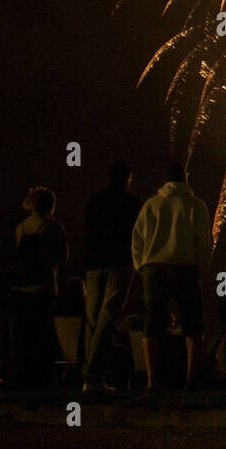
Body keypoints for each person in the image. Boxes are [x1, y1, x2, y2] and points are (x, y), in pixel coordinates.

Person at [132, 161, 212, 391]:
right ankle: (192, 380)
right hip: (185, 268)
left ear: (165, 179)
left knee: (153, 324)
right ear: (185, 178)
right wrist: (200, 268)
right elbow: (203, 242)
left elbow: (137, 239)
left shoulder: (152, 204)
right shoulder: (196, 205)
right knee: (193, 325)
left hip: (154, 267)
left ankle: (152, 380)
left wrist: (142, 265)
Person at [81, 161, 140, 392]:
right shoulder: (132, 204)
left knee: (93, 319)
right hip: (120, 264)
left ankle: (89, 374)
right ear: (127, 179)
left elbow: (88, 232)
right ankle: (93, 374)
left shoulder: (95, 203)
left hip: (94, 265)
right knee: (108, 317)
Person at [4, 186, 69, 388]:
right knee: (41, 337)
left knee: (21, 336)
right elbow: (62, 259)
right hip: (44, 288)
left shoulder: (21, 227)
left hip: (20, 288)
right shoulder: (54, 227)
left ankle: (18, 377)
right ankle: (39, 378)